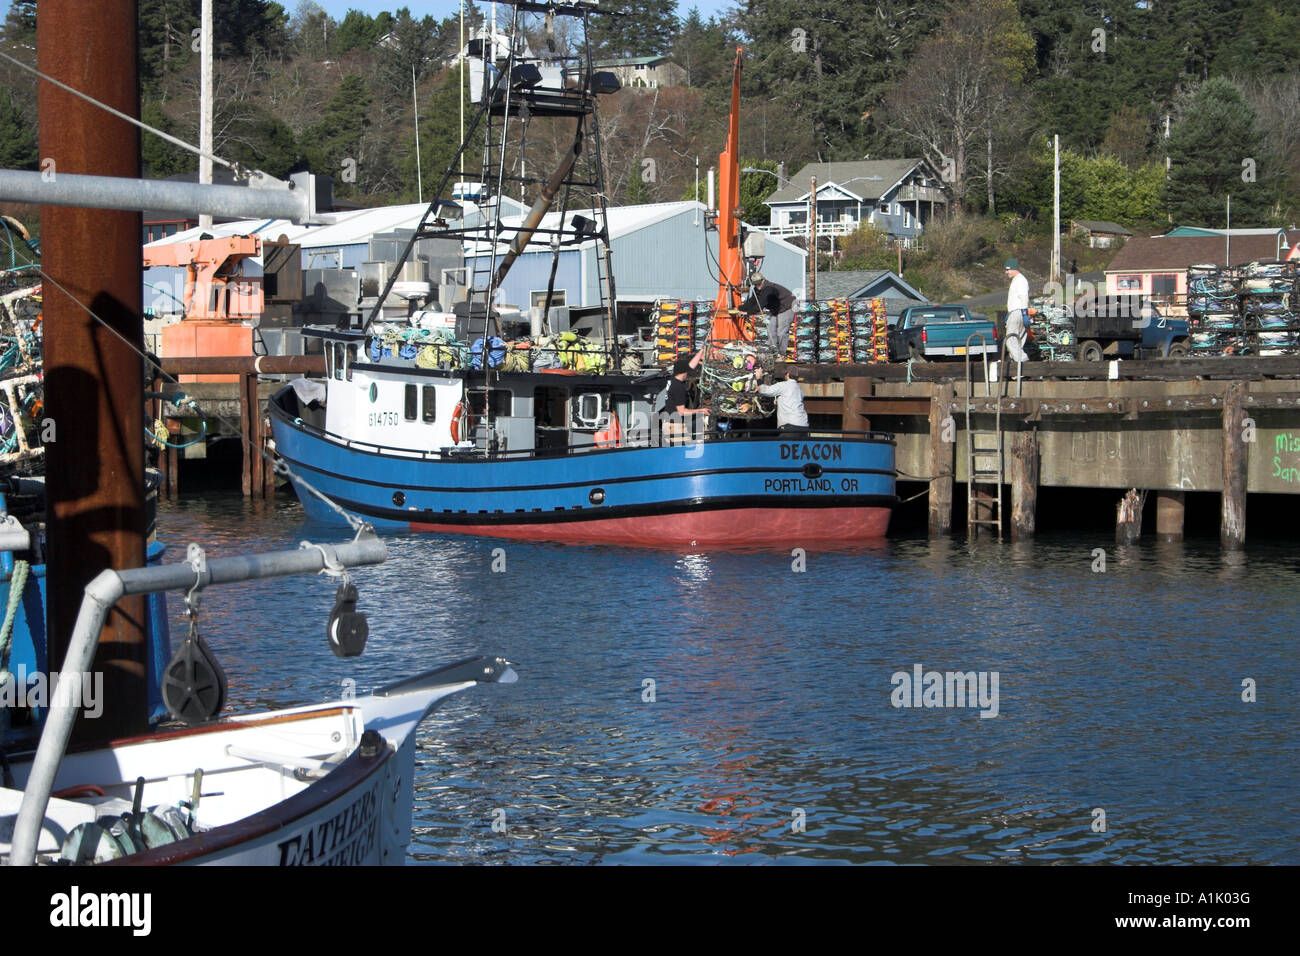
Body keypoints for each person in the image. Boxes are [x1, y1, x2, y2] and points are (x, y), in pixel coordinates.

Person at [746, 272, 797, 357]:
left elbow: (760, 305)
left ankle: (781, 355)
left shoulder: (769, 289)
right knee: (771, 330)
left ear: (763, 280)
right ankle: (773, 352)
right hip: (776, 308)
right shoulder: (758, 289)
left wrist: (747, 312)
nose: (757, 286)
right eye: (755, 284)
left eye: (758, 284)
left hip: (788, 306)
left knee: (781, 332)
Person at [663, 348, 708, 442]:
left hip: (668, 423)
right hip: (676, 426)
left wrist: (701, 351)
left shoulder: (673, 380)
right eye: (686, 371)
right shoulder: (678, 387)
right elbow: (681, 412)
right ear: (683, 372)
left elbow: (691, 365)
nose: (688, 372)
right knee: (685, 451)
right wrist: (701, 411)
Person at [757, 368, 809, 432]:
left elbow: (764, 391)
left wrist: (758, 379)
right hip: (803, 425)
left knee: (782, 441)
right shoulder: (799, 388)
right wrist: (779, 401)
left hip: (790, 426)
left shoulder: (784, 385)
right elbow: (791, 402)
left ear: (787, 374)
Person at [1003, 258, 1030, 364]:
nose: (1006, 272)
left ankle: (1023, 361)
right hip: (1016, 312)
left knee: (1010, 340)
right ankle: (1017, 368)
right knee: (1018, 341)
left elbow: (1024, 297)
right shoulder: (1017, 280)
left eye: (1007, 270)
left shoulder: (1020, 280)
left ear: (1014, 269)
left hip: (1018, 312)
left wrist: (1024, 313)